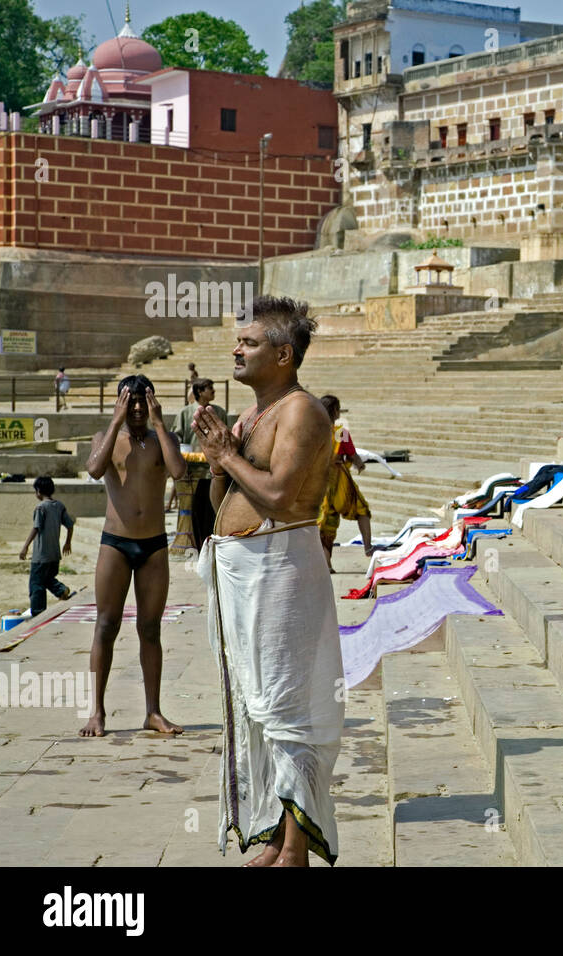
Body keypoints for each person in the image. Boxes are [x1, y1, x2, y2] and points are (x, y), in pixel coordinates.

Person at [194, 296, 344, 867]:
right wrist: (217, 463)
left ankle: (296, 850)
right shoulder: (252, 415)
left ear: (283, 355)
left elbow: (280, 495)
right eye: (238, 341)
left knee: (287, 707)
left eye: (249, 343)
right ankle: (279, 839)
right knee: (256, 705)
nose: (236, 349)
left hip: (282, 569)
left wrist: (228, 455)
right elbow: (224, 501)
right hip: (245, 571)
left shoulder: (301, 411)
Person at [81, 375, 186, 738]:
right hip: (116, 544)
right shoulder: (107, 439)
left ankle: (153, 712)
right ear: (121, 404)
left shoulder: (162, 440)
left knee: (150, 629)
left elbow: (179, 471)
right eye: (132, 403)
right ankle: (97, 711)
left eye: (144, 403)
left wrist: (160, 423)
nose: (138, 409)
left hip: (154, 545)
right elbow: (94, 469)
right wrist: (115, 421)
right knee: (106, 625)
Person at [317, 393, 374, 568]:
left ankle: (327, 564)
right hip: (340, 483)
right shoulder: (340, 433)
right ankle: (368, 548)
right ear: (335, 411)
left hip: (320, 484)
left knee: (326, 526)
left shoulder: (315, 432)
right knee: (362, 510)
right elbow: (354, 457)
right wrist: (360, 465)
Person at [172, 378, 227, 549]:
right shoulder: (185, 413)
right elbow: (177, 438)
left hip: (213, 471)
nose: (213, 391)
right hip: (191, 471)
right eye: (209, 388)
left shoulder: (219, 412)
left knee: (210, 509)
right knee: (191, 509)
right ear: (199, 391)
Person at [19, 476, 76, 616]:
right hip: (54, 555)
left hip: (41, 556)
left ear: (38, 491)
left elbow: (36, 528)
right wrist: (67, 542)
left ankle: (38, 613)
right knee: (47, 579)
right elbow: (70, 525)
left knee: (36, 584)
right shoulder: (59, 506)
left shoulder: (40, 508)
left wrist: (25, 546)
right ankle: (61, 590)